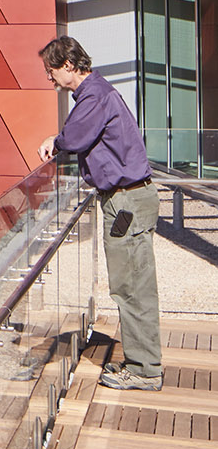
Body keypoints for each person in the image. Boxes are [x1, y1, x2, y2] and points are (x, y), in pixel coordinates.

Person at [37, 35, 163, 391]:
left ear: (68, 65)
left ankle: (145, 371)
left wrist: (54, 141)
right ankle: (142, 362)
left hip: (126, 202)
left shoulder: (93, 95)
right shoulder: (98, 92)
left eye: (50, 70)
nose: (49, 77)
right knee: (134, 285)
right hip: (129, 200)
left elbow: (74, 137)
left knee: (131, 288)